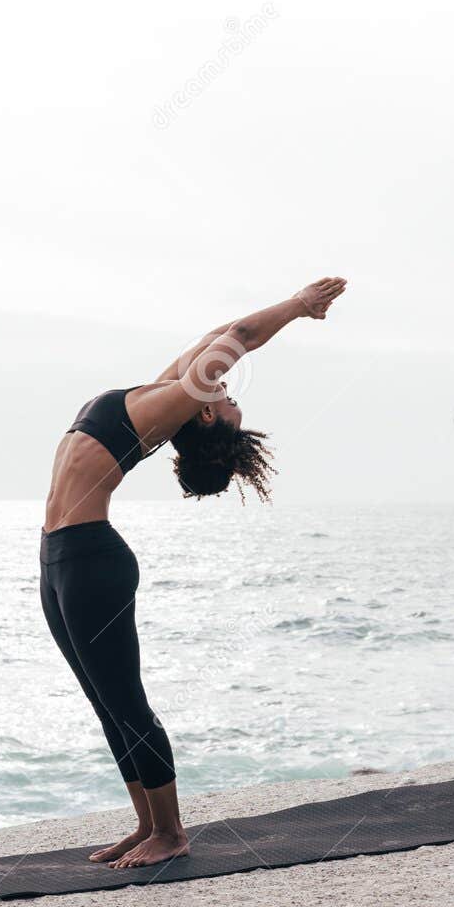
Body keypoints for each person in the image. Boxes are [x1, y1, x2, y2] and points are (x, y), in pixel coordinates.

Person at [39, 276, 348, 868]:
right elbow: (218, 335)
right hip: (54, 557)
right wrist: (295, 307)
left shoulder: (168, 407)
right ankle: (145, 823)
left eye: (229, 401)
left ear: (205, 418)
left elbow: (236, 338)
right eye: (229, 394)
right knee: (103, 701)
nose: (227, 391)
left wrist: (298, 309)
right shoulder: (161, 395)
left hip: (91, 561)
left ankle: (172, 832)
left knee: (125, 698)